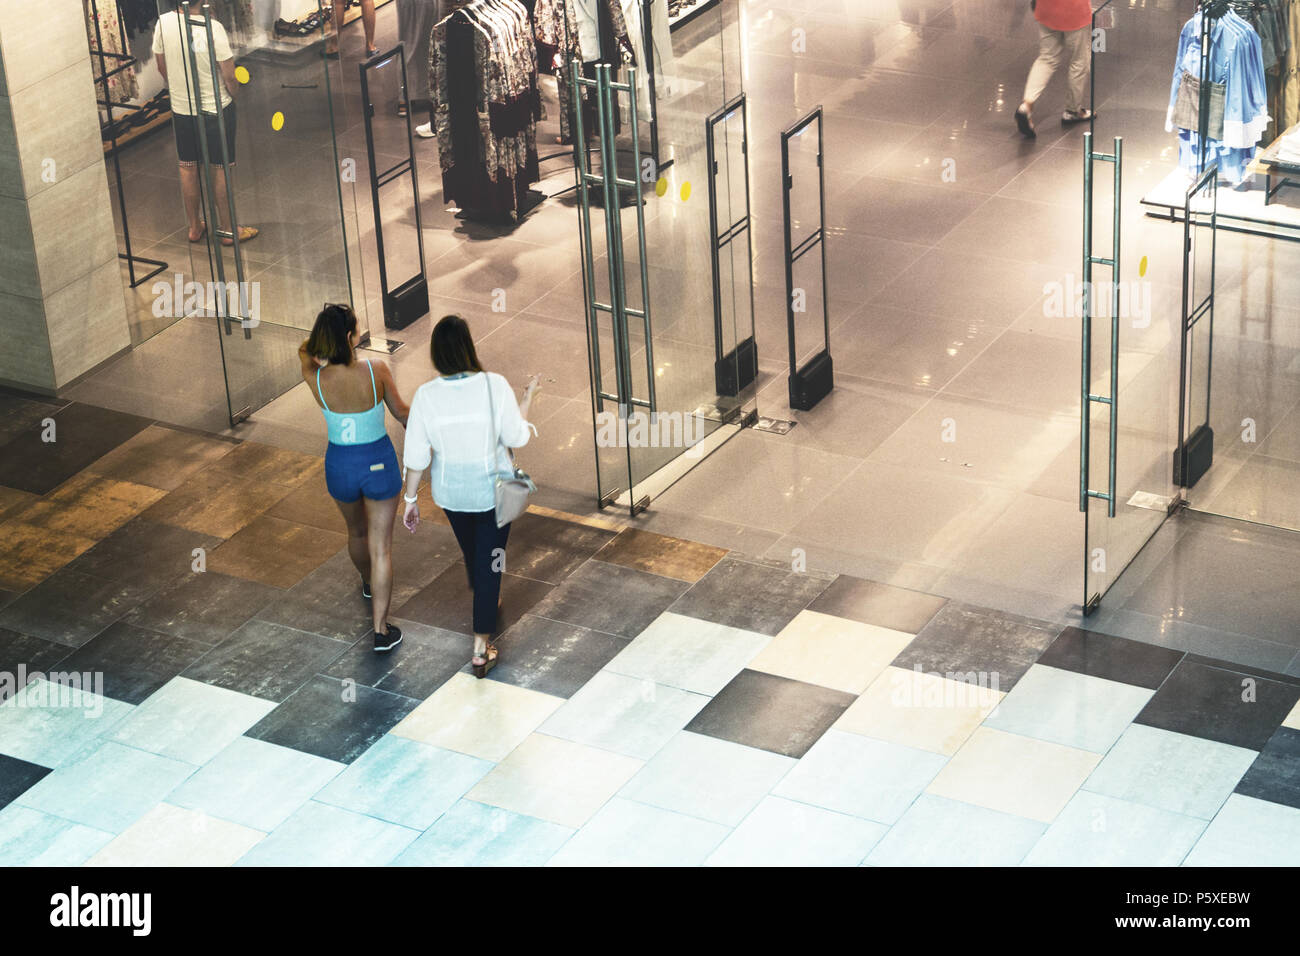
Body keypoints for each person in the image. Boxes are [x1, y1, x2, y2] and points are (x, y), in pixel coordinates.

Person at [400, 316, 540, 678]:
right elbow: (517, 437)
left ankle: (485, 597)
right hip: (494, 492)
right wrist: (527, 399)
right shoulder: (493, 386)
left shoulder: (426, 396)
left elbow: (417, 454)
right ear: (468, 347)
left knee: (474, 553)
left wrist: (411, 499)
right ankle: (480, 645)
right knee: (493, 558)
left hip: (452, 493)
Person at [299, 304, 410, 652]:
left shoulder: (314, 376)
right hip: (378, 463)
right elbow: (403, 412)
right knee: (382, 547)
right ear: (350, 337)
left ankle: (366, 580)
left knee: (356, 532)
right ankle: (380, 630)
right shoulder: (376, 369)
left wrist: (327, 338)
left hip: (340, 466)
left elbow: (304, 349)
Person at [152, 0, 259, 245]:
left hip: (182, 109)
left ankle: (194, 227)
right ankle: (228, 229)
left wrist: (180, 88)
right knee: (220, 167)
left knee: (187, 166)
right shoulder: (213, 28)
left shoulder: (164, 23)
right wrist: (235, 93)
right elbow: (229, 74)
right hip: (216, 108)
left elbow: (161, 65)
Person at [1015, 0, 1096, 138]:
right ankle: (1072, 111)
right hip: (1075, 11)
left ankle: (1027, 105)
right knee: (1080, 60)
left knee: (1047, 58)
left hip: (1046, 8)